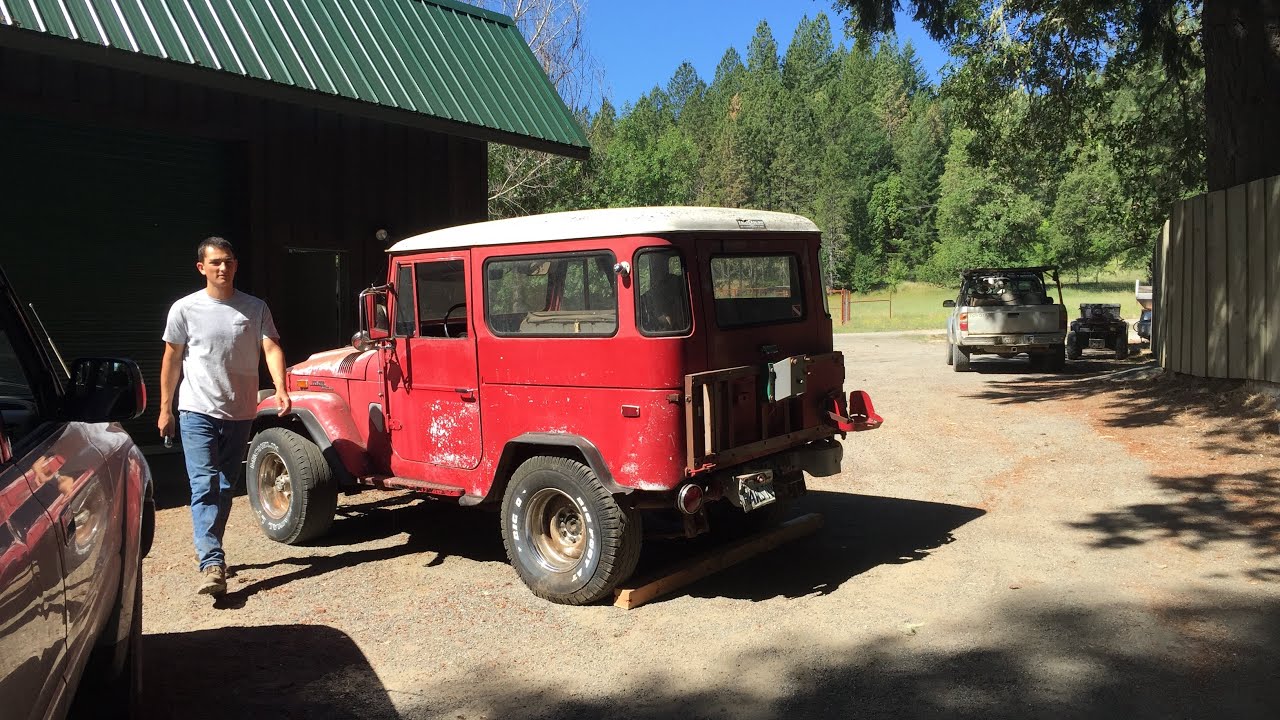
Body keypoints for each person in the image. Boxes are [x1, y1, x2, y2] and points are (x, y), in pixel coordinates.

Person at [158, 237, 291, 596]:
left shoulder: (254, 307)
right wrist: (165, 408)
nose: (223, 268)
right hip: (196, 409)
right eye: (215, 262)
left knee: (226, 487)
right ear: (201, 267)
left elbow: (270, 346)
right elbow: (172, 359)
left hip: (240, 411)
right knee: (205, 485)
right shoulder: (184, 309)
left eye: (228, 261)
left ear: (235, 265)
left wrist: (280, 386)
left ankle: (211, 548)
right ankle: (212, 562)